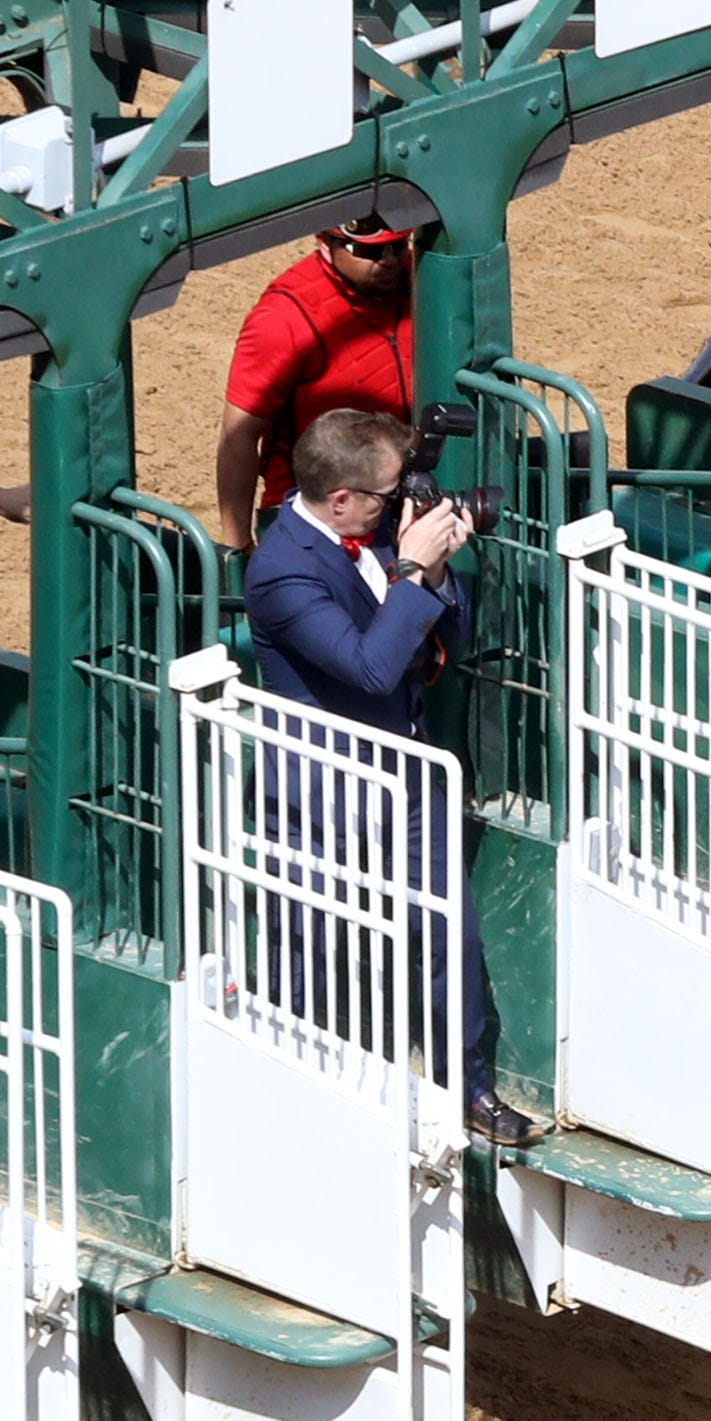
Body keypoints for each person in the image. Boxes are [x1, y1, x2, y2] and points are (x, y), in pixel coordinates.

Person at [241, 409, 537, 1146]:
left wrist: (432, 569)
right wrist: (411, 568)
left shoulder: (375, 528)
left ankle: (466, 1089)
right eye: (382, 494)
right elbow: (371, 668)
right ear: (338, 498)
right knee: (304, 947)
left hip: (407, 772)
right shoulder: (280, 569)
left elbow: (449, 634)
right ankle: (292, 1096)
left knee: (448, 932)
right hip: (321, 788)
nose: (398, 504)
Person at [216, 211, 417, 544]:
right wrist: (236, 545)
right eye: (370, 251)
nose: (389, 260)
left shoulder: (423, 278)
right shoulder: (283, 317)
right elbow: (238, 434)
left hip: (404, 498)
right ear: (326, 244)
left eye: (398, 247)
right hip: (316, 514)